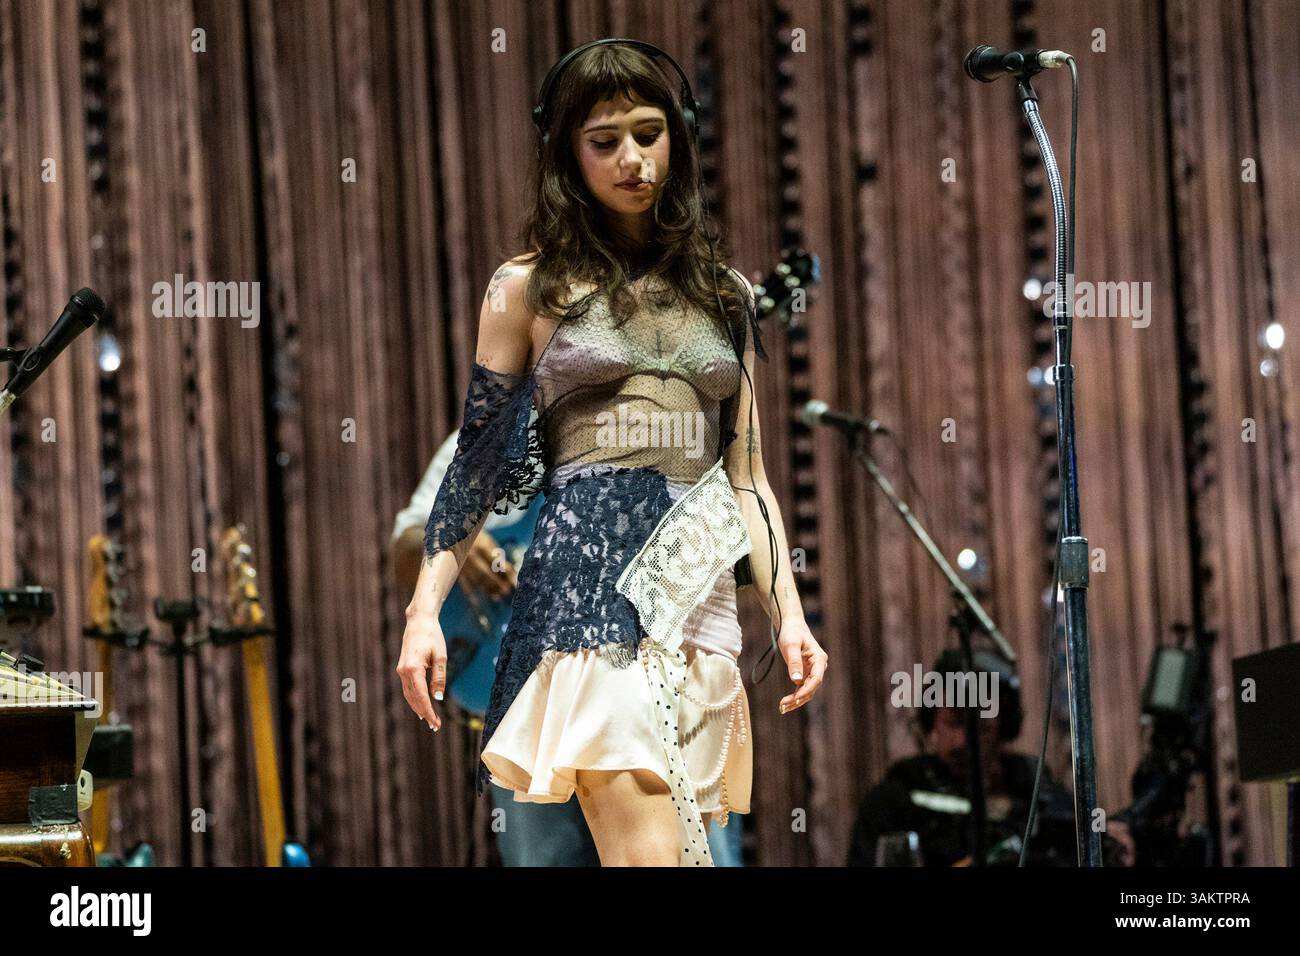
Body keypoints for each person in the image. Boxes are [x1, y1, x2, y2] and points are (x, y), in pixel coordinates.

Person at [396, 39, 828, 866]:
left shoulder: (724, 293)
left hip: (698, 601)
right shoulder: (526, 286)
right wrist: (424, 615)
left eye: (649, 132)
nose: (633, 158)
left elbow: (750, 480)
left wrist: (790, 612)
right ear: (568, 155)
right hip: (586, 598)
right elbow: (478, 464)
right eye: (604, 141)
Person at [847, 648, 1135, 866]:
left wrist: (1101, 837)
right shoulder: (896, 799)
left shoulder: (1031, 784)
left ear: (1004, 729)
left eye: (980, 728)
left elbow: (1072, 837)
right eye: (953, 722)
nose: (962, 742)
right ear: (930, 721)